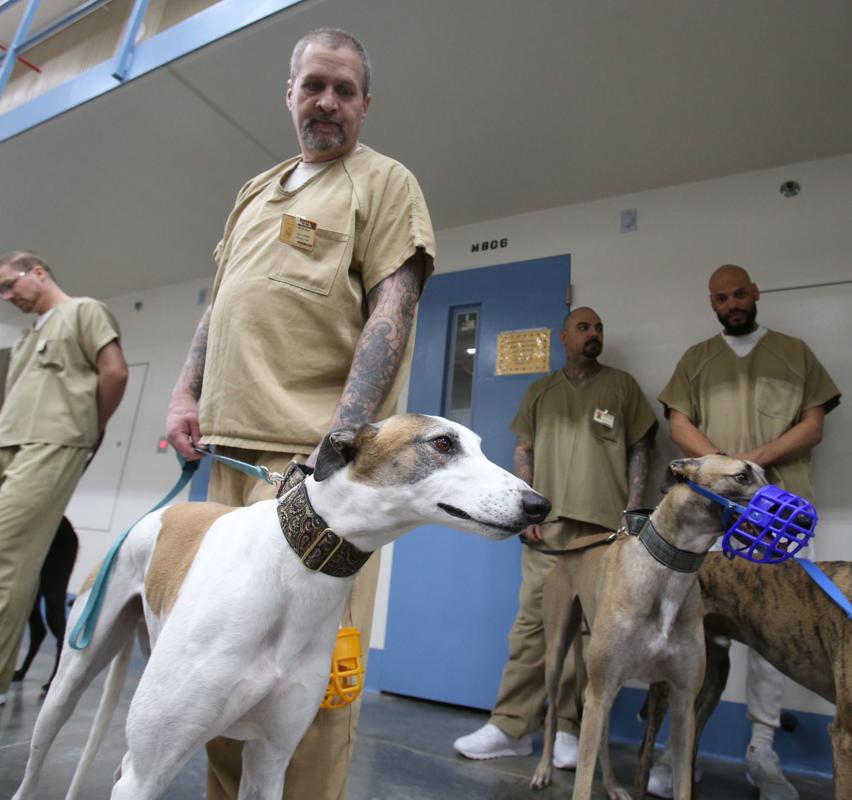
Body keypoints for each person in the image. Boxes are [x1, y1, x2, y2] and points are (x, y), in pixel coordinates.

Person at [165, 28, 435, 800]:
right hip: (226, 457)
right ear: (289, 94)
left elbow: (394, 304)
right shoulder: (256, 189)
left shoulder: (383, 182)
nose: (328, 102)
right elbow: (222, 305)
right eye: (314, 85)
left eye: (344, 90)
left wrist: (344, 431)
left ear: (365, 104)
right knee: (215, 668)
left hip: (312, 469)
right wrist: (187, 392)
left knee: (309, 685)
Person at [654, 264, 841, 800]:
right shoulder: (696, 359)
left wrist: (748, 463)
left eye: (739, 294)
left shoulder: (794, 351)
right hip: (708, 514)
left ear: (755, 294)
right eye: (721, 298)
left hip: (780, 513)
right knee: (689, 628)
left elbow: (813, 425)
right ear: (711, 302)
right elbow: (678, 424)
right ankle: (678, 752)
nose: (732, 304)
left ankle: (763, 752)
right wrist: (723, 468)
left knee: (773, 634)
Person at [454, 306, 657, 767]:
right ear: (564, 336)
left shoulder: (622, 387)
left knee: (589, 633)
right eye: (584, 327)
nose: (594, 334)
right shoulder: (541, 391)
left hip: (604, 532)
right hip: (546, 530)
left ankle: (568, 729)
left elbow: (642, 446)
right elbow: (523, 447)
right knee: (532, 627)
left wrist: (633, 513)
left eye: (599, 328)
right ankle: (509, 726)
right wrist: (524, 508)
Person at [0, 250, 127, 705]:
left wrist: (88, 430)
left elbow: (114, 373)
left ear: (37, 272)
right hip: (9, 442)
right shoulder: (26, 337)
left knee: (6, 555)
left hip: (54, 443)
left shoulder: (84, 311)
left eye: (9, 285)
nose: (7, 296)